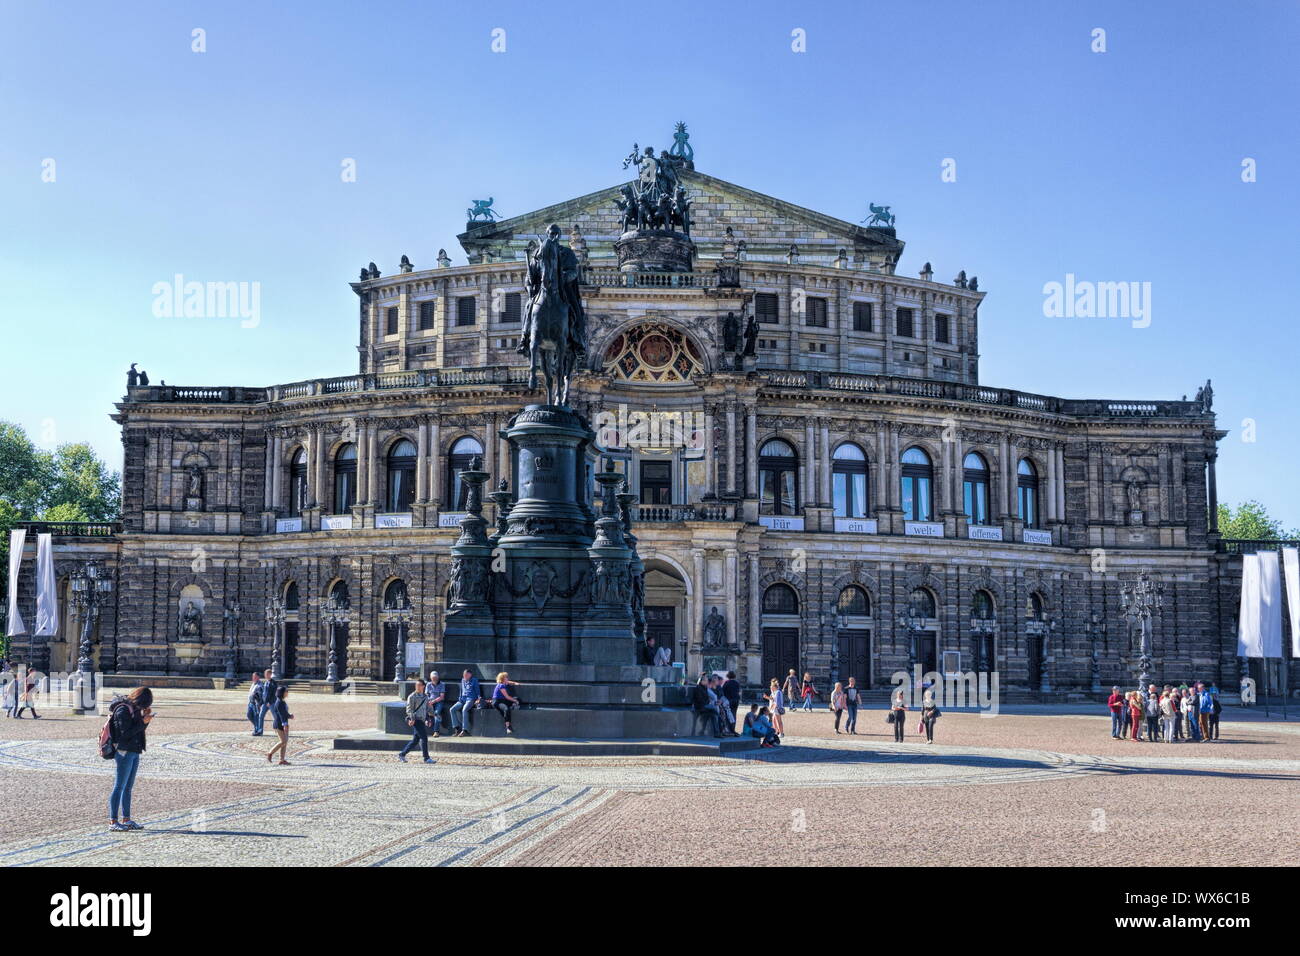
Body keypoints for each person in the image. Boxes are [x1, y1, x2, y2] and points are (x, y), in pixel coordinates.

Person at [107, 686, 153, 831]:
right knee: (119, 786)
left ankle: (126, 819)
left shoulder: (134, 708)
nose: (142, 707)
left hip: (134, 750)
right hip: (124, 751)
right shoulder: (122, 709)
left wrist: (146, 720)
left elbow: (138, 730)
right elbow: (125, 734)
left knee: (128, 788)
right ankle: (113, 821)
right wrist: (143, 722)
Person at [398, 679, 435, 763]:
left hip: (422, 720)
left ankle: (402, 754)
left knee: (415, 741)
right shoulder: (412, 696)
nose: (417, 687)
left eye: (419, 685)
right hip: (416, 720)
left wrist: (430, 718)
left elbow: (428, 709)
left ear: (423, 686)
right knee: (424, 738)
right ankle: (426, 758)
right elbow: (409, 709)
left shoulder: (425, 696)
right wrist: (412, 719)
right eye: (416, 685)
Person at [450, 669, 481, 737]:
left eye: (466, 675)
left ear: (470, 675)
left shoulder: (474, 680)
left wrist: (479, 698)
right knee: (452, 709)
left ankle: (465, 730)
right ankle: (457, 728)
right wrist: (460, 698)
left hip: (471, 699)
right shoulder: (463, 680)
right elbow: (461, 690)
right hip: (462, 699)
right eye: (464, 675)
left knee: (464, 710)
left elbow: (477, 689)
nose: (465, 676)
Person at [267, 685, 293, 765]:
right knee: (283, 741)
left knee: (285, 742)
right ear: (282, 692)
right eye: (286, 691)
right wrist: (285, 724)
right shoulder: (279, 702)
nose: (287, 692)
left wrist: (289, 715)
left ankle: (282, 760)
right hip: (279, 724)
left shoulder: (281, 701)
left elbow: (284, 713)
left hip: (283, 723)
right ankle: (270, 753)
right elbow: (281, 715)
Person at [425, 670, 447, 737]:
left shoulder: (442, 684)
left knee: (437, 713)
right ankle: (427, 721)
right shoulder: (428, 684)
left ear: (438, 677)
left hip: (438, 702)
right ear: (431, 678)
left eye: (435, 678)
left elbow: (442, 697)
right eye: (433, 678)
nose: (434, 679)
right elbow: (426, 694)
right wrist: (429, 701)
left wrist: (433, 701)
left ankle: (436, 731)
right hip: (429, 701)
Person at [256, 668, 278, 735]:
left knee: (276, 717)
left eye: (267, 674)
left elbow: (274, 694)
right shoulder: (266, 682)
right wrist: (261, 703)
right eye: (265, 674)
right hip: (265, 703)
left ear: (270, 674)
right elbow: (264, 694)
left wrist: (270, 702)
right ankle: (260, 731)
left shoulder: (273, 683)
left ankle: (277, 728)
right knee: (261, 716)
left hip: (271, 703)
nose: (266, 675)